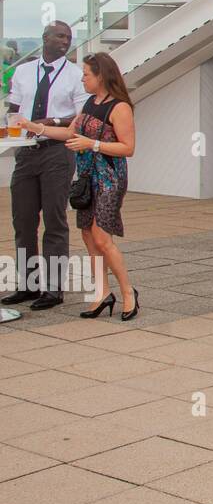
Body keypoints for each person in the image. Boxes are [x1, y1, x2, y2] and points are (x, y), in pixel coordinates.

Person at [15, 53, 138, 320]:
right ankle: (102, 293)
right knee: (88, 237)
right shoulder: (91, 104)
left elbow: (128, 148)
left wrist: (91, 144)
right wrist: (35, 127)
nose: (82, 78)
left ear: (101, 76)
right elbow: (70, 133)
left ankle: (129, 294)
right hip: (86, 180)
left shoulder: (120, 107)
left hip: (108, 179)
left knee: (103, 239)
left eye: (86, 74)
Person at [2, 21, 85, 310]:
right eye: (60, 36)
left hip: (57, 152)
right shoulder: (24, 72)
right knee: (23, 221)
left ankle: (53, 289)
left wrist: (52, 122)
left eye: (69, 37)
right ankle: (28, 285)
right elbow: (14, 108)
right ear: (45, 38)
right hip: (26, 153)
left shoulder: (75, 75)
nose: (65, 41)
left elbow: (79, 118)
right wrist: (12, 126)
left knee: (54, 221)